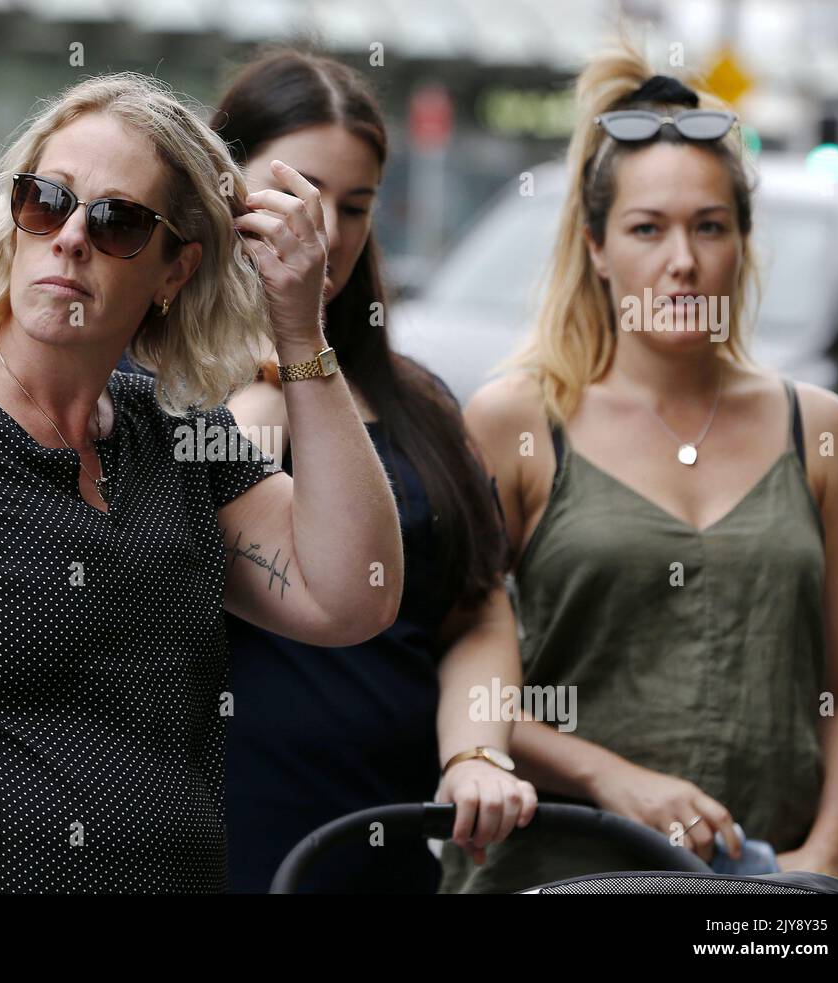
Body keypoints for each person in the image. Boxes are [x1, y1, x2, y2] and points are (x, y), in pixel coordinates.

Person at [0, 71, 405, 893]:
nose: (70, 237)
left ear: (176, 269)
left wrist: (301, 331)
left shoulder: (178, 430)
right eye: (47, 200)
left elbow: (353, 593)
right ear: (14, 217)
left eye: (118, 222)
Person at [440, 44, 838, 893]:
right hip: (557, 872)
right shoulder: (518, 419)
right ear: (598, 248)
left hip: (764, 891)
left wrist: (823, 859)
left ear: (743, 244)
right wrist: (612, 776)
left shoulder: (816, 428)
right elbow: (461, 667)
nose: (682, 259)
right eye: (648, 228)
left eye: (709, 226)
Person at [204, 48, 537, 893]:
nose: (330, 235)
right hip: (220, 837)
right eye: (302, 196)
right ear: (220, 188)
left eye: (356, 207)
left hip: (382, 837)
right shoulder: (146, 386)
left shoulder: (414, 398)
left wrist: (475, 750)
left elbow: (477, 605)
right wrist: (259, 400)